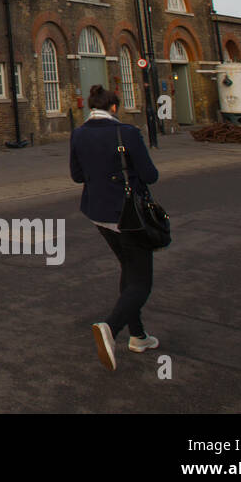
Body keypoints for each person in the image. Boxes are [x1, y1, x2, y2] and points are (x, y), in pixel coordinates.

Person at [70, 84, 161, 371]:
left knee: (129, 269)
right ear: (113, 107)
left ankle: (138, 336)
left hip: (98, 214)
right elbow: (150, 175)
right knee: (142, 282)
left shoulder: (79, 134)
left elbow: (76, 176)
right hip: (128, 216)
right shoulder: (128, 133)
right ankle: (111, 329)